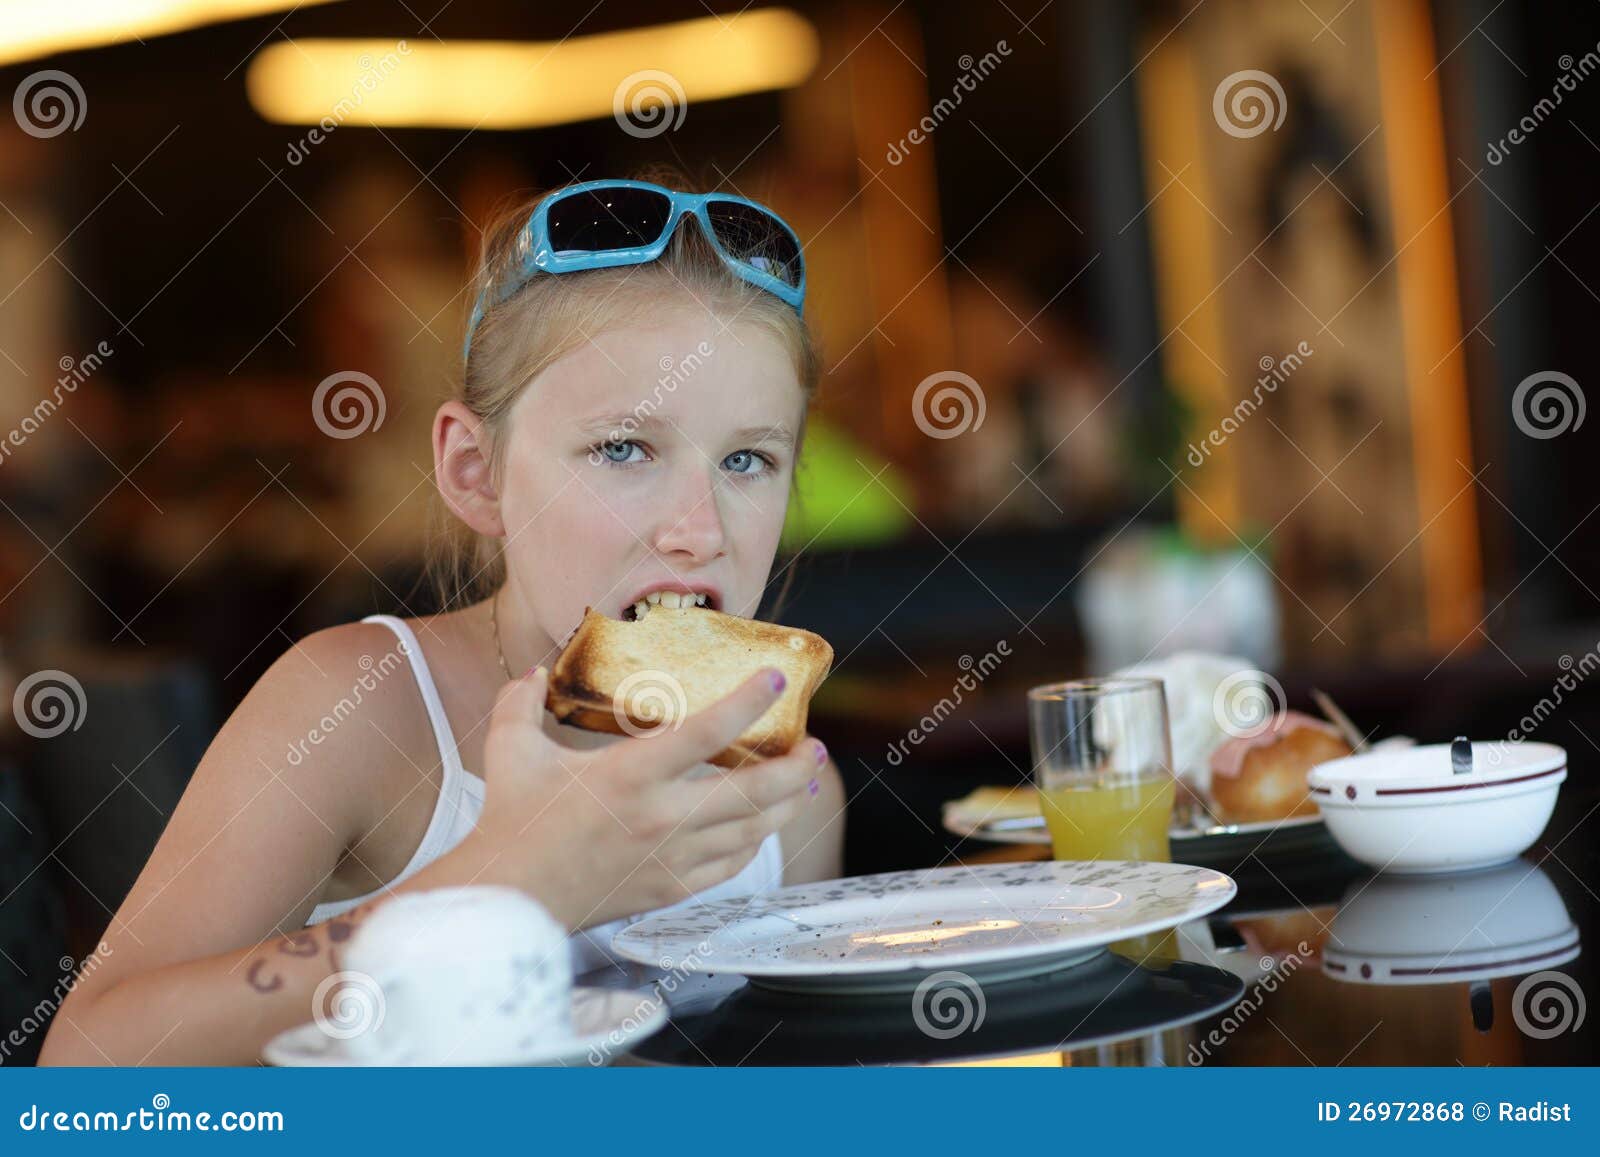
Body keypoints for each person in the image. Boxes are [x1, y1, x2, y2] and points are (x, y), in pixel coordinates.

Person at [41, 177, 844, 1065]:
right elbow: (82, 1075)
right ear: (475, 472)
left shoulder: (788, 797)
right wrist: (507, 882)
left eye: (747, 458)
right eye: (622, 448)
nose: (699, 529)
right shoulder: (359, 706)